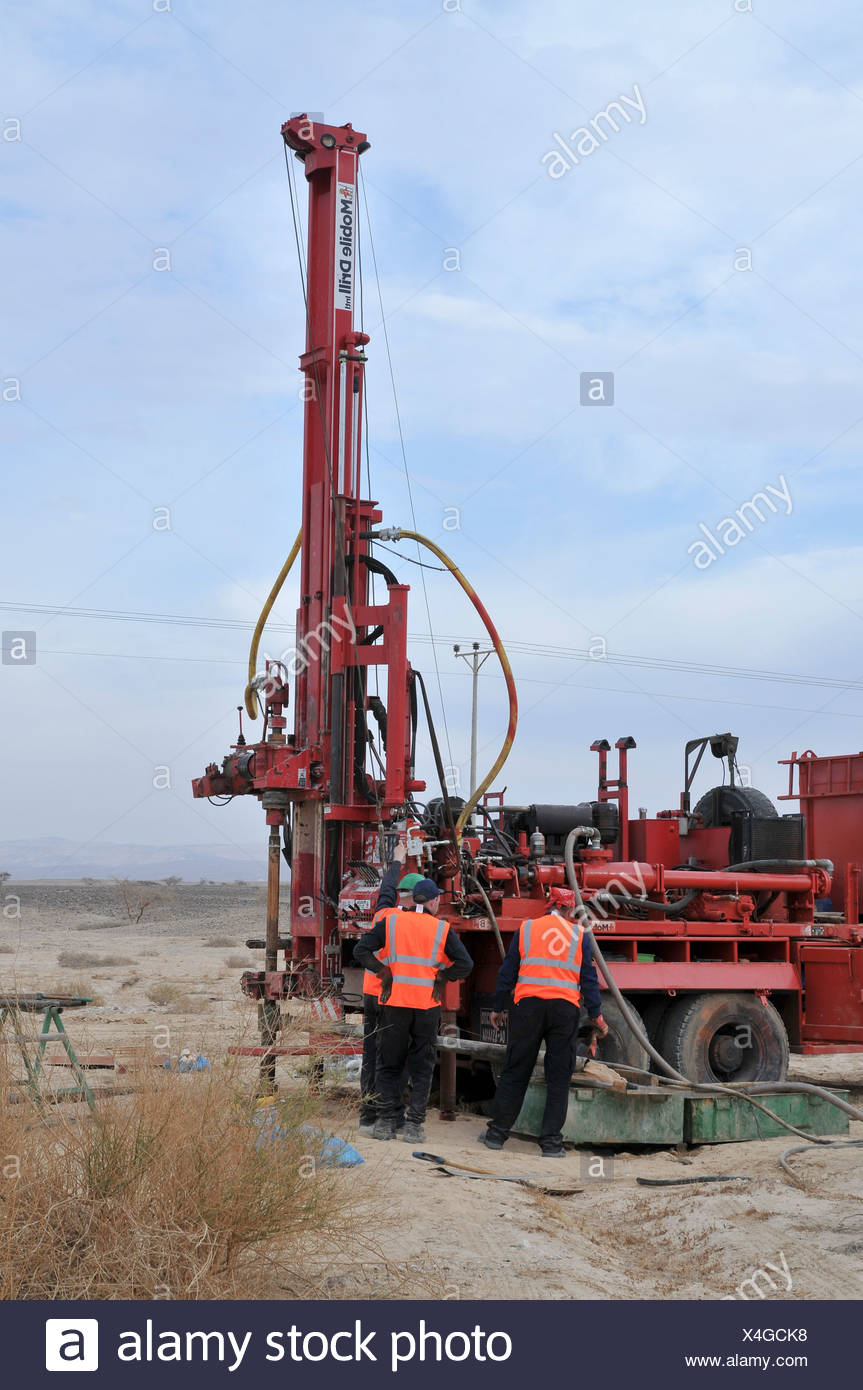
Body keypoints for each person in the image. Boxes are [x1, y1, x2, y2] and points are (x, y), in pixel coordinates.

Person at [479, 886, 607, 1158]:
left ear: (549, 905)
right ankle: (551, 1144)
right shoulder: (579, 936)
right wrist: (596, 1014)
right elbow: (589, 980)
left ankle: (496, 1135)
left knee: (516, 1070)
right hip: (564, 1010)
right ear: (570, 911)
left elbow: (508, 972)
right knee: (558, 1077)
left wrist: (499, 1007)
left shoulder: (527, 930)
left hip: (528, 1008)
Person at [354, 877, 473, 1143]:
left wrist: (383, 972)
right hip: (426, 1007)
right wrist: (442, 977)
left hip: (394, 1004)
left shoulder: (392, 921)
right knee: (421, 1066)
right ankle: (414, 1126)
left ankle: (385, 1123)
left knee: (388, 1064)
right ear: (433, 902)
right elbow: (466, 964)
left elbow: (362, 950)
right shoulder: (442, 929)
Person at [354, 843, 424, 1137]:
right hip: (395, 999)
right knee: (395, 1060)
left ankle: (368, 1116)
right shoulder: (417, 923)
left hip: (371, 994)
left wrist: (396, 862)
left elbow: (385, 890)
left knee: (372, 1057)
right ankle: (390, 1115)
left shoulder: (383, 915)